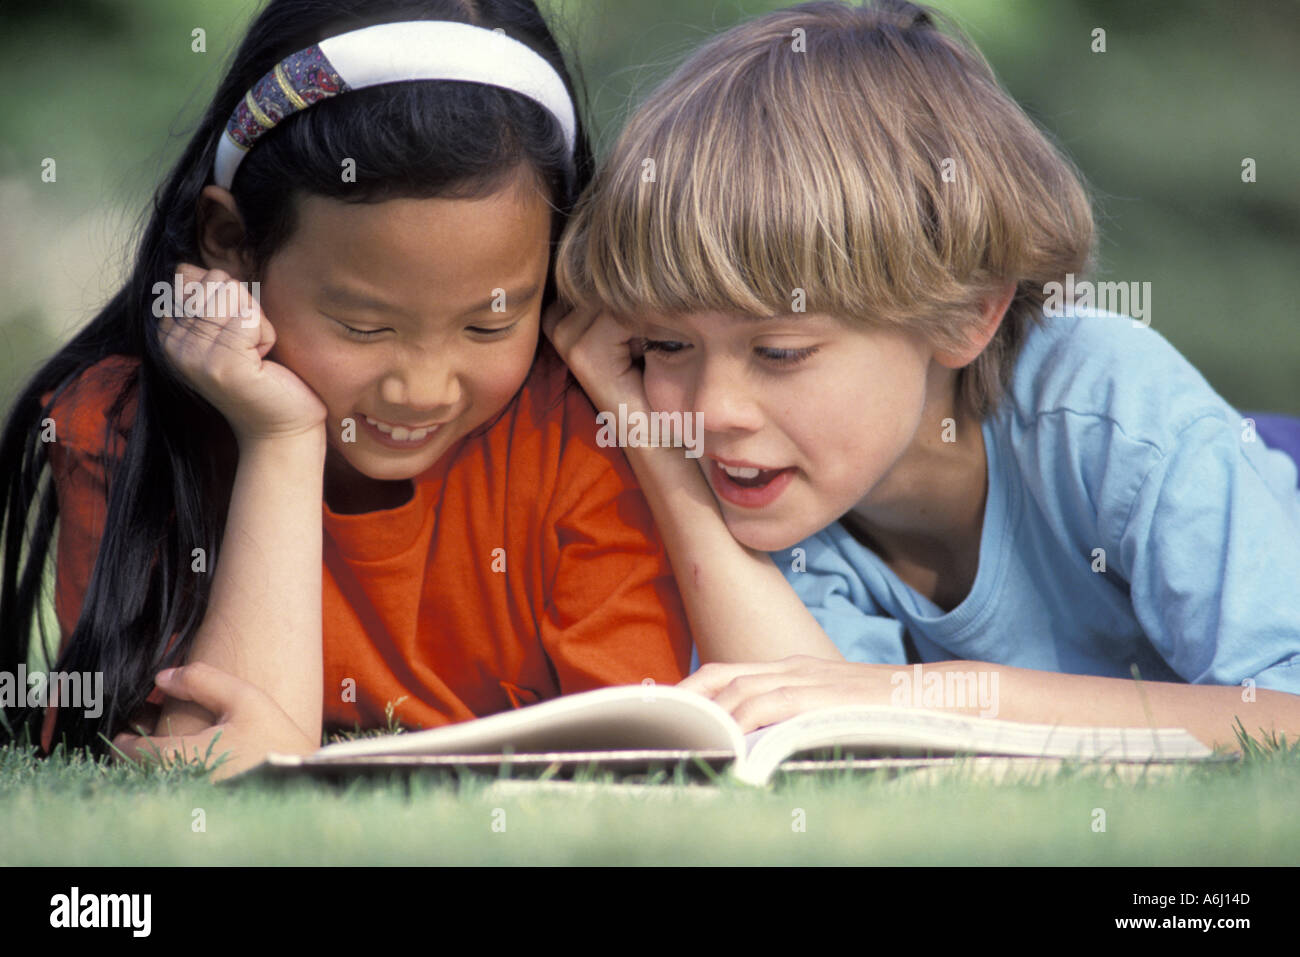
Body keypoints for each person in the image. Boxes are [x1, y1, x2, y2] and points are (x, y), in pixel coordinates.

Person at [546, 0, 1300, 749]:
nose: (712, 411)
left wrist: (928, 692)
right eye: (666, 346)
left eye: (779, 352)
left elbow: (1286, 717)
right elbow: (820, 743)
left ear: (966, 314)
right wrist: (646, 436)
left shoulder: (1111, 408)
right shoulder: (781, 491)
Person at [0, 0, 691, 780]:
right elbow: (197, 754)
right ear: (230, 243)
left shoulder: (578, 437)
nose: (422, 387)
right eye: (365, 327)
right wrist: (279, 441)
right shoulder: (121, 426)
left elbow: (644, 747)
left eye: (489, 326)